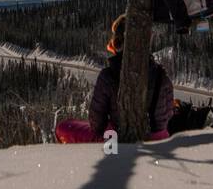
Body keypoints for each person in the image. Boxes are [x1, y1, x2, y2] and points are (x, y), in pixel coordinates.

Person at [55, 14, 174, 144]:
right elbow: (167, 115)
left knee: (64, 127)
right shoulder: (162, 75)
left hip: (119, 139)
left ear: (117, 43)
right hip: (159, 139)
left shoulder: (108, 76)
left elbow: (96, 123)